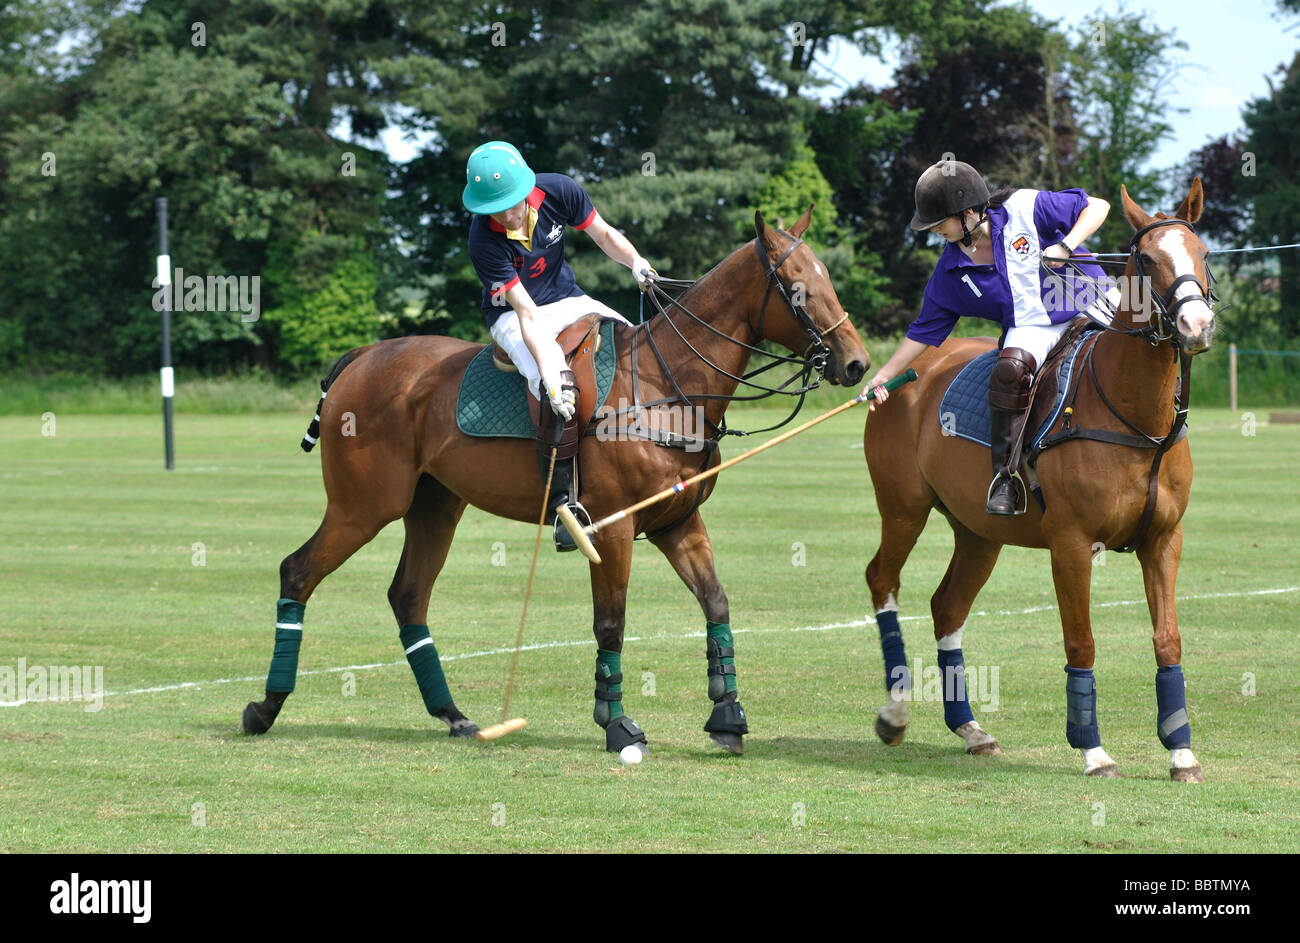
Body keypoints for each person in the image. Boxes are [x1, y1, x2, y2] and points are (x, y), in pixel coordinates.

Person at [863, 159, 1112, 515]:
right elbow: (924, 329)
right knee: (1008, 369)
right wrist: (885, 374)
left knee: (1149, 336)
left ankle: (1171, 427)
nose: (934, 231)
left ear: (968, 213)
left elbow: (1097, 206)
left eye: (938, 223)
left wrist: (1067, 245)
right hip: (1033, 326)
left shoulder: (1025, 207)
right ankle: (1007, 477)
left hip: (1090, 297)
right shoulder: (950, 270)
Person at [462, 141, 655, 549]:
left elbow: (602, 233)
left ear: (526, 190)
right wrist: (551, 373)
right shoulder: (483, 240)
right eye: (493, 209)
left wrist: (636, 262)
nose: (504, 215)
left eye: (511, 204)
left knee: (636, 346)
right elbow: (527, 315)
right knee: (553, 387)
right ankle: (563, 505)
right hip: (513, 315)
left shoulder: (560, 190)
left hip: (568, 298)